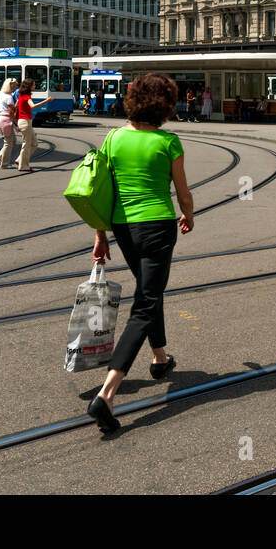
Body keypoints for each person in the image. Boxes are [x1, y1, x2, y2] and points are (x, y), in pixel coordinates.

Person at [86, 72, 195, 434]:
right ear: (165, 106)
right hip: (158, 227)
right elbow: (183, 192)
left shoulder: (113, 137)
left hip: (122, 228)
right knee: (145, 303)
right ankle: (108, 392)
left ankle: (159, 356)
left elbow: (100, 190)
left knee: (149, 290)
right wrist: (189, 215)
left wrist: (100, 235)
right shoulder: (168, 142)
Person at [14, 79, 53, 172]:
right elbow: (33, 106)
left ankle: (20, 160)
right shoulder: (27, 96)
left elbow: (16, 106)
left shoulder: (21, 95)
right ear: (29, 86)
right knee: (26, 144)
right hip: (25, 122)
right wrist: (46, 101)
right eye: (34, 85)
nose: (35, 86)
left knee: (34, 143)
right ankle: (23, 166)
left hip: (24, 122)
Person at [0, 78, 19, 169]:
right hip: (6, 121)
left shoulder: (3, 94)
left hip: (2, 119)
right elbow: (12, 112)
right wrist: (16, 123)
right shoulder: (9, 97)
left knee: (12, 141)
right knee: (8, 143)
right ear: (11, 86)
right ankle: (4, 164)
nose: (17, 86)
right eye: (16, 84)